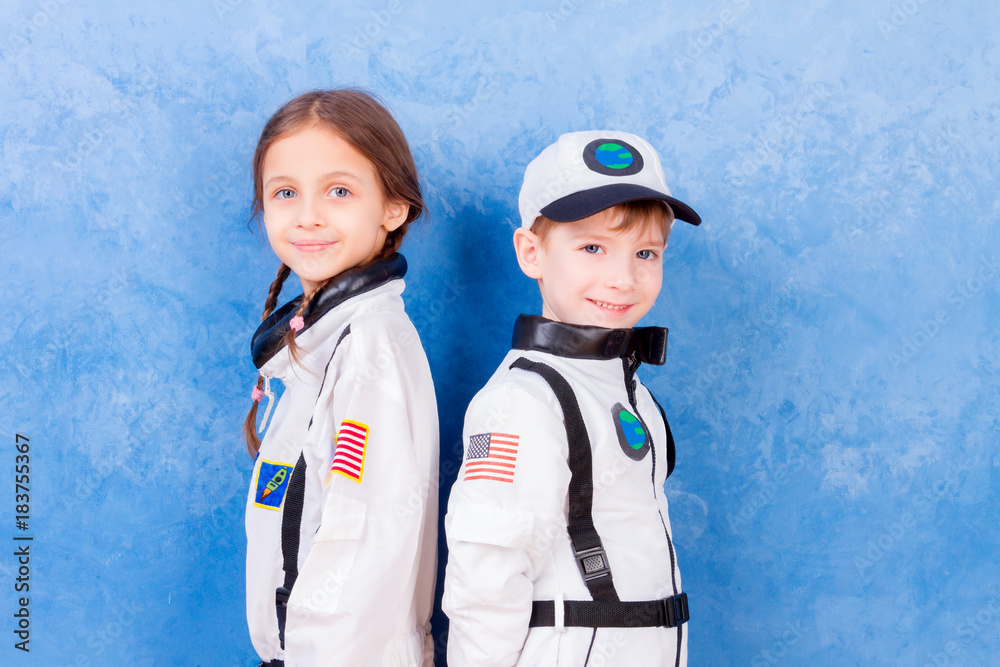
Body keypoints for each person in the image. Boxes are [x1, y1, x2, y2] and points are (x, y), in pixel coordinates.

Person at [443, 130, 701, 666]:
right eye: (592, 248)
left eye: (646, 253)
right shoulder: (522, 401)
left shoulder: (629, 390)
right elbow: (484, 580)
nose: (623, 277)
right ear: (531, 253)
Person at [241, 89, 438, 667]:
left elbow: (363, 542)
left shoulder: (369, 348)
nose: (308, 215)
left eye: (340, 191)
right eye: (285, 192)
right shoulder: (322, 346)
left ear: (393, 207)